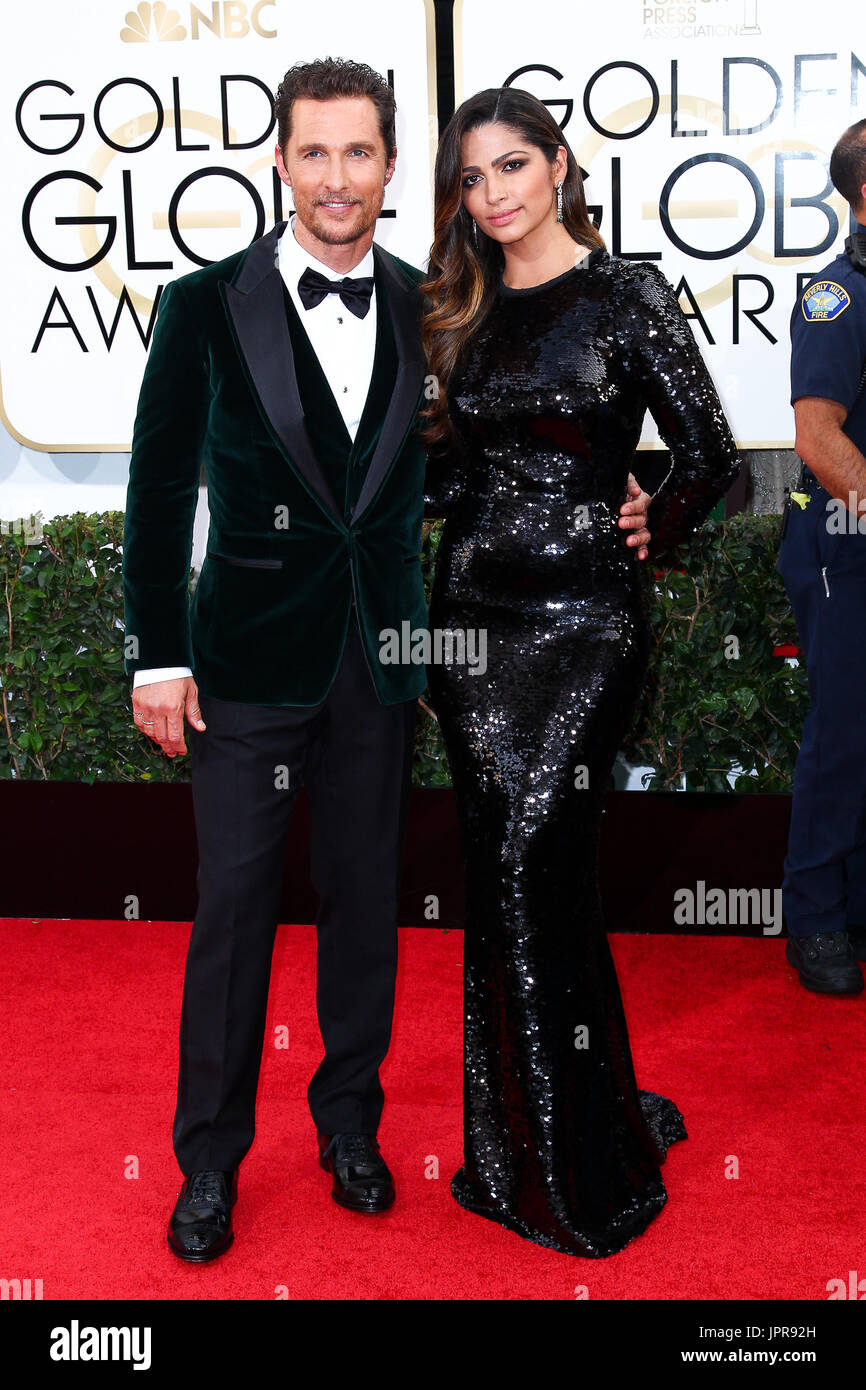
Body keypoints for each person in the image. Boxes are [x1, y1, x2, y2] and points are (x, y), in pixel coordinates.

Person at [122, 59, 653, 1262]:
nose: (336, 177)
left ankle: (349, 1131)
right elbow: (158, 495)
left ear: (389, 167)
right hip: (247, 664)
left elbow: (501, 454)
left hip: (385, 658)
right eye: (313, 152)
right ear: (278, 160)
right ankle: (208, 1161)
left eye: (358, 153)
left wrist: (617, 490)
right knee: (235, 914)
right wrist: (157, 655)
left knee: (366, 906)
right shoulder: (204, 305)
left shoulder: (432, 307)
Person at [420, 86, 740, 1257]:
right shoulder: (456, 306)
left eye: (511, 166)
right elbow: (455, 478)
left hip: (585, 625)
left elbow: (704, 448)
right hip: (470, 625)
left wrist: (661, 515)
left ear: (558, 164)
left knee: (528, 857)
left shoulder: (624, 292)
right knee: (505, 871)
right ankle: (525, 1140)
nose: (493, 194)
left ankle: (575, 1158)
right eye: (471, 178)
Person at [777, 118, 866, 995]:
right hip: (845, 551)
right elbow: (816, 439)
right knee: (844, 738)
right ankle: (814, 922)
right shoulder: (837, 296)